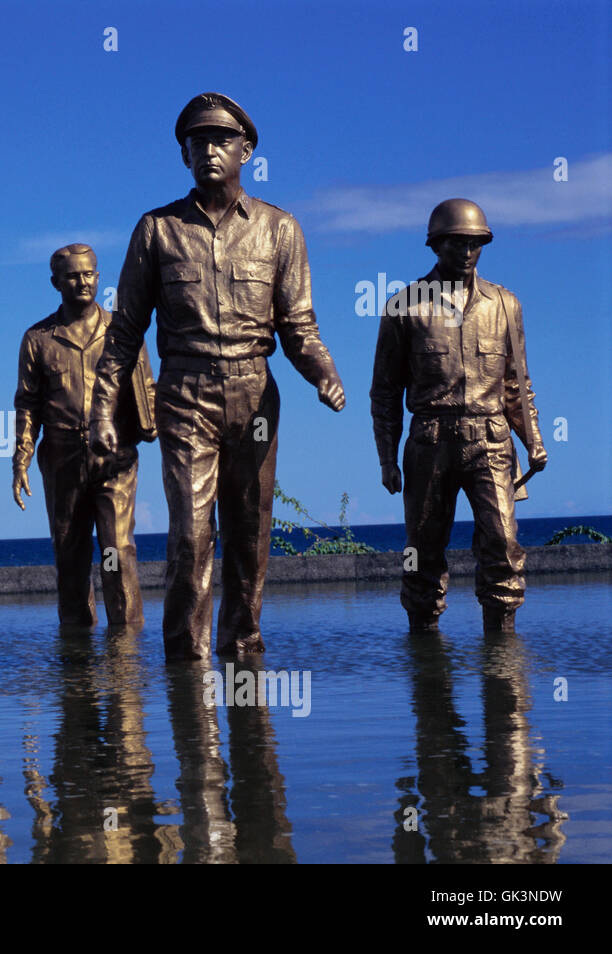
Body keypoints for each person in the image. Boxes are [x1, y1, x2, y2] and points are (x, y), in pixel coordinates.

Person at [90, 93, 346, 659]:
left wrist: (323, 372)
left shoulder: (281, 230)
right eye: (196, 142)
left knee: (251, 534)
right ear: (183, 156)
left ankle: (242, 650)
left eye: (220, 140)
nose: (207, 150)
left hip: (255, 394)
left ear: (246, 151)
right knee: (189, 533)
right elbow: (125, 331)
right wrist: (102, 409)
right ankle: (186, 663)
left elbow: (299, 324)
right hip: (184, 394)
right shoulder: (156, 230)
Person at [370, 199, 545, 633]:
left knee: (503, 543)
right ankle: (426, 662)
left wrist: (534, 439)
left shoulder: (505, 305)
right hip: (430, 443)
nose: (467, 252)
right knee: (423, 549)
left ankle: (502, 655)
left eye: (474, 243)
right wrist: (387, 460)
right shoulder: (404, 307)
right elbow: (385, 391)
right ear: (436, 245)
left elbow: (517, 385)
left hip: (490, 441)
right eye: (456, 243)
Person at [13, 243, 155, 627]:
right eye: (73, 275)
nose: (83, 282)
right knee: (70, 554)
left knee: (117, 551)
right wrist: (21, 459)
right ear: (55, 282)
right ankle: (77, 665)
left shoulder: (123, 331)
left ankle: (125, 657)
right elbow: (27, 404)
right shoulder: (38, 338)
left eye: (89, 273)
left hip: (115, 458)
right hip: (61, 459)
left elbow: (147, 391)